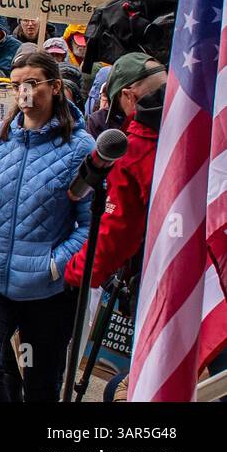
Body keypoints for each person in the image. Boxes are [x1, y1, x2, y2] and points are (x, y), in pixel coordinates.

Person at [0, 51, 94, 402]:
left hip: (44, 292)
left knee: (40, 381)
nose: (24, 92)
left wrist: (54, 264)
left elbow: (88, 224)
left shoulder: (81, 147)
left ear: (56, 87)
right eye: (17, 85)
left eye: (32, 83)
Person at [65, 53, 166, 289]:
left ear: (129, 96)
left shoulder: (135, 149)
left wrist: (75, 273)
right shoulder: (208, 117)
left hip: (168, 275)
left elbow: (117, 234)